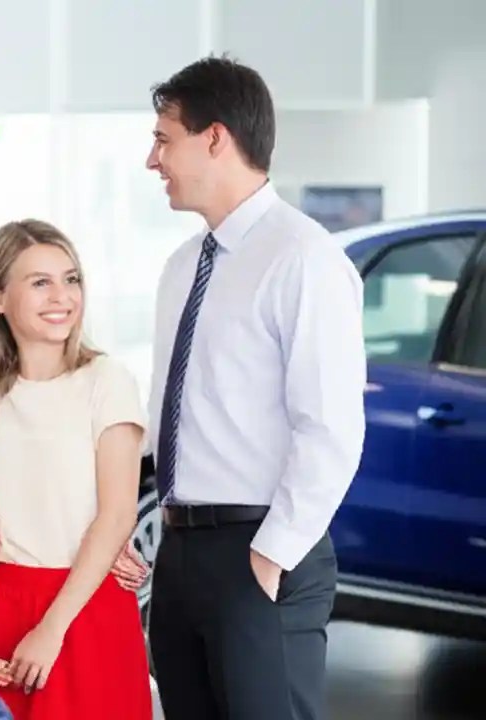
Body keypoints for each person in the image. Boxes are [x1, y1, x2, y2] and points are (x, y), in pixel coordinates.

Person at [137, 55, 366, 720]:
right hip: (180, 556)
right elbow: (176, 410)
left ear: (214, 137)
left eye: (162, 139)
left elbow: (330, 430)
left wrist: (269, 557)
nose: (153, 161)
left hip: (258, 551)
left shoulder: (305, 258)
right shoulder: (183, 266)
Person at [0, 219, 153, 720]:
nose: (62, 296)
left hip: (85, 604)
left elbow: (117, 515)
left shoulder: (106, 380)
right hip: (8, 601)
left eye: (70, 279)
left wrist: (52, 629)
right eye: (40, 282)